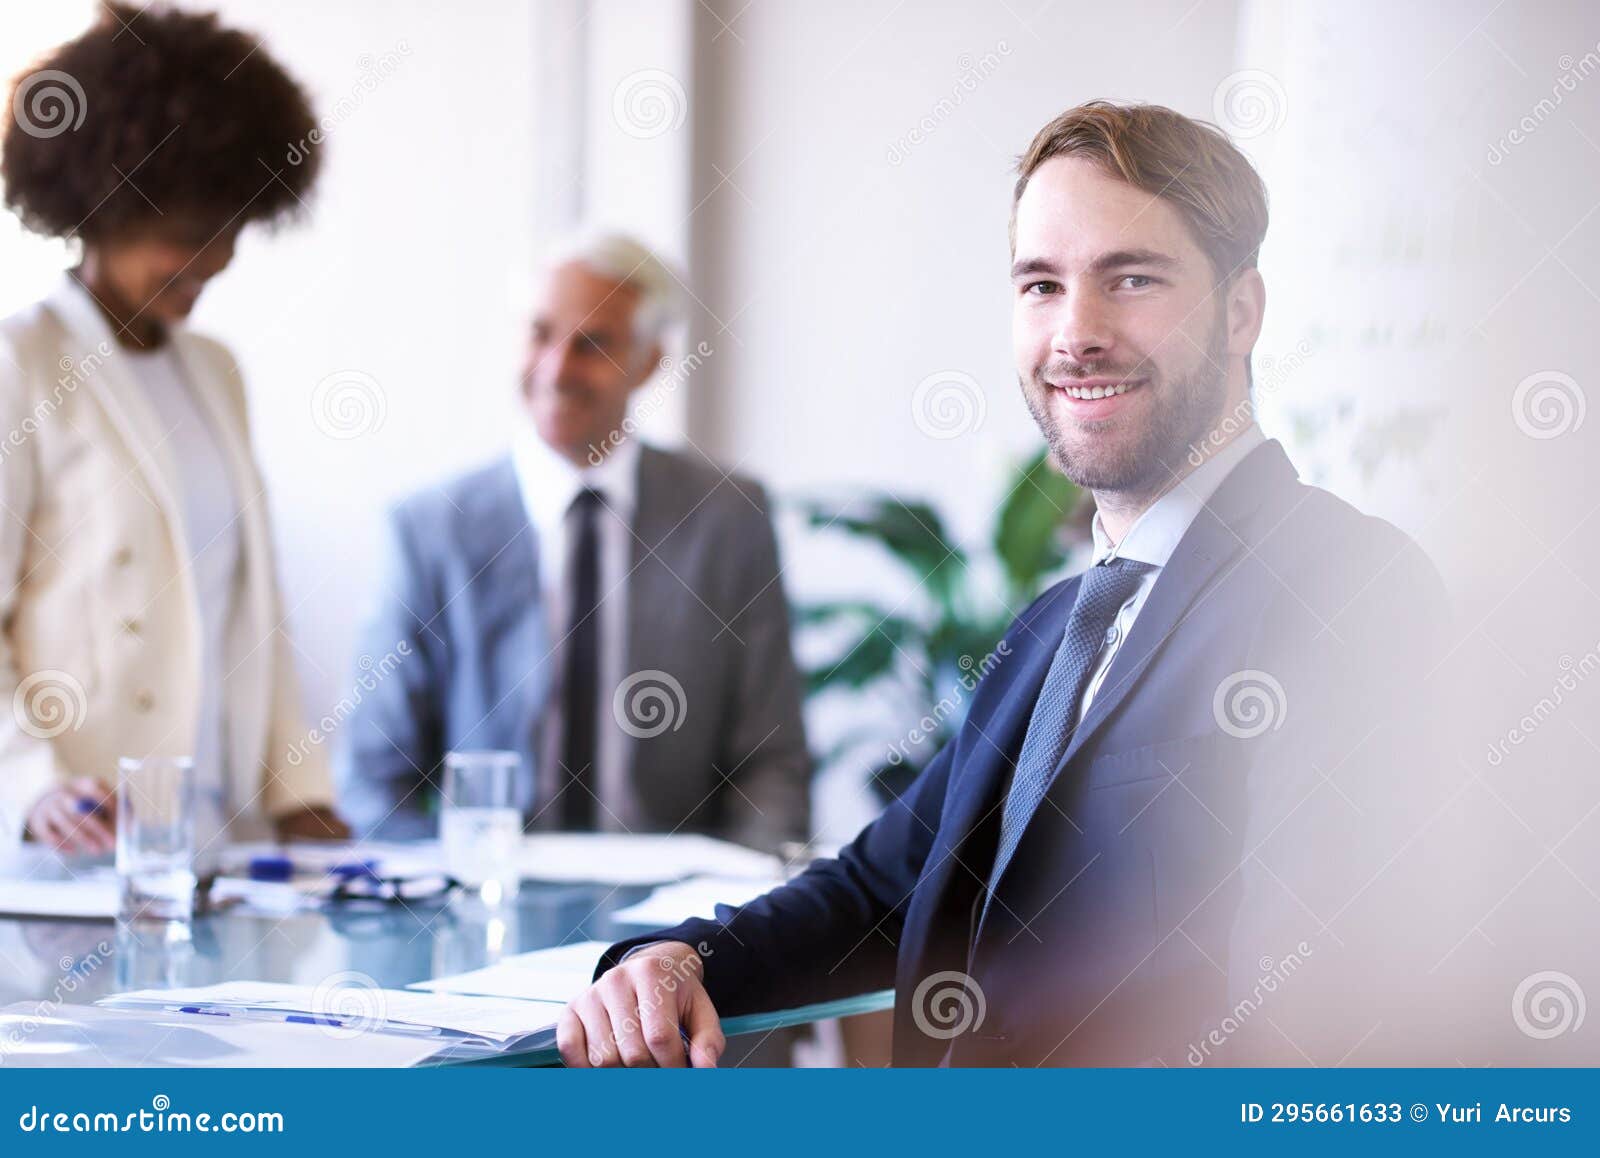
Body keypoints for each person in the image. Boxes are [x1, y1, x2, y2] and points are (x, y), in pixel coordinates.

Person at [559, 101, 1456, 1067]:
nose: (1077, 333)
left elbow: (1311, 1033)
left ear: (1241, 311)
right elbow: (877, 888)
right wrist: (681, 961)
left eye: (1133, 279)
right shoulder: (1060, 627)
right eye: (1042, 284)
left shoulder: (1347, 588)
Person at [0, 4, 345, 855]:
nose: (216, 261)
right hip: (82, 843)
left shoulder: (215, 372)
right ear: (104, 206)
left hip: (223, 845)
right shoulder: (22, 361)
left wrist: (297, 791)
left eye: (231, 230)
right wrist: (29, 788)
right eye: (189, 236)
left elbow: (253, 603)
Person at [337, 231, 810, 852]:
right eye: (539, 333)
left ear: (647, 363)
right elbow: (375, 779)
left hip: (673, 913)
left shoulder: (728, 516)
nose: (557, 369)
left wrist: (736, 918)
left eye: (593, 345)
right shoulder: (430, 527)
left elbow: (771, 760)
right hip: (488, 896)